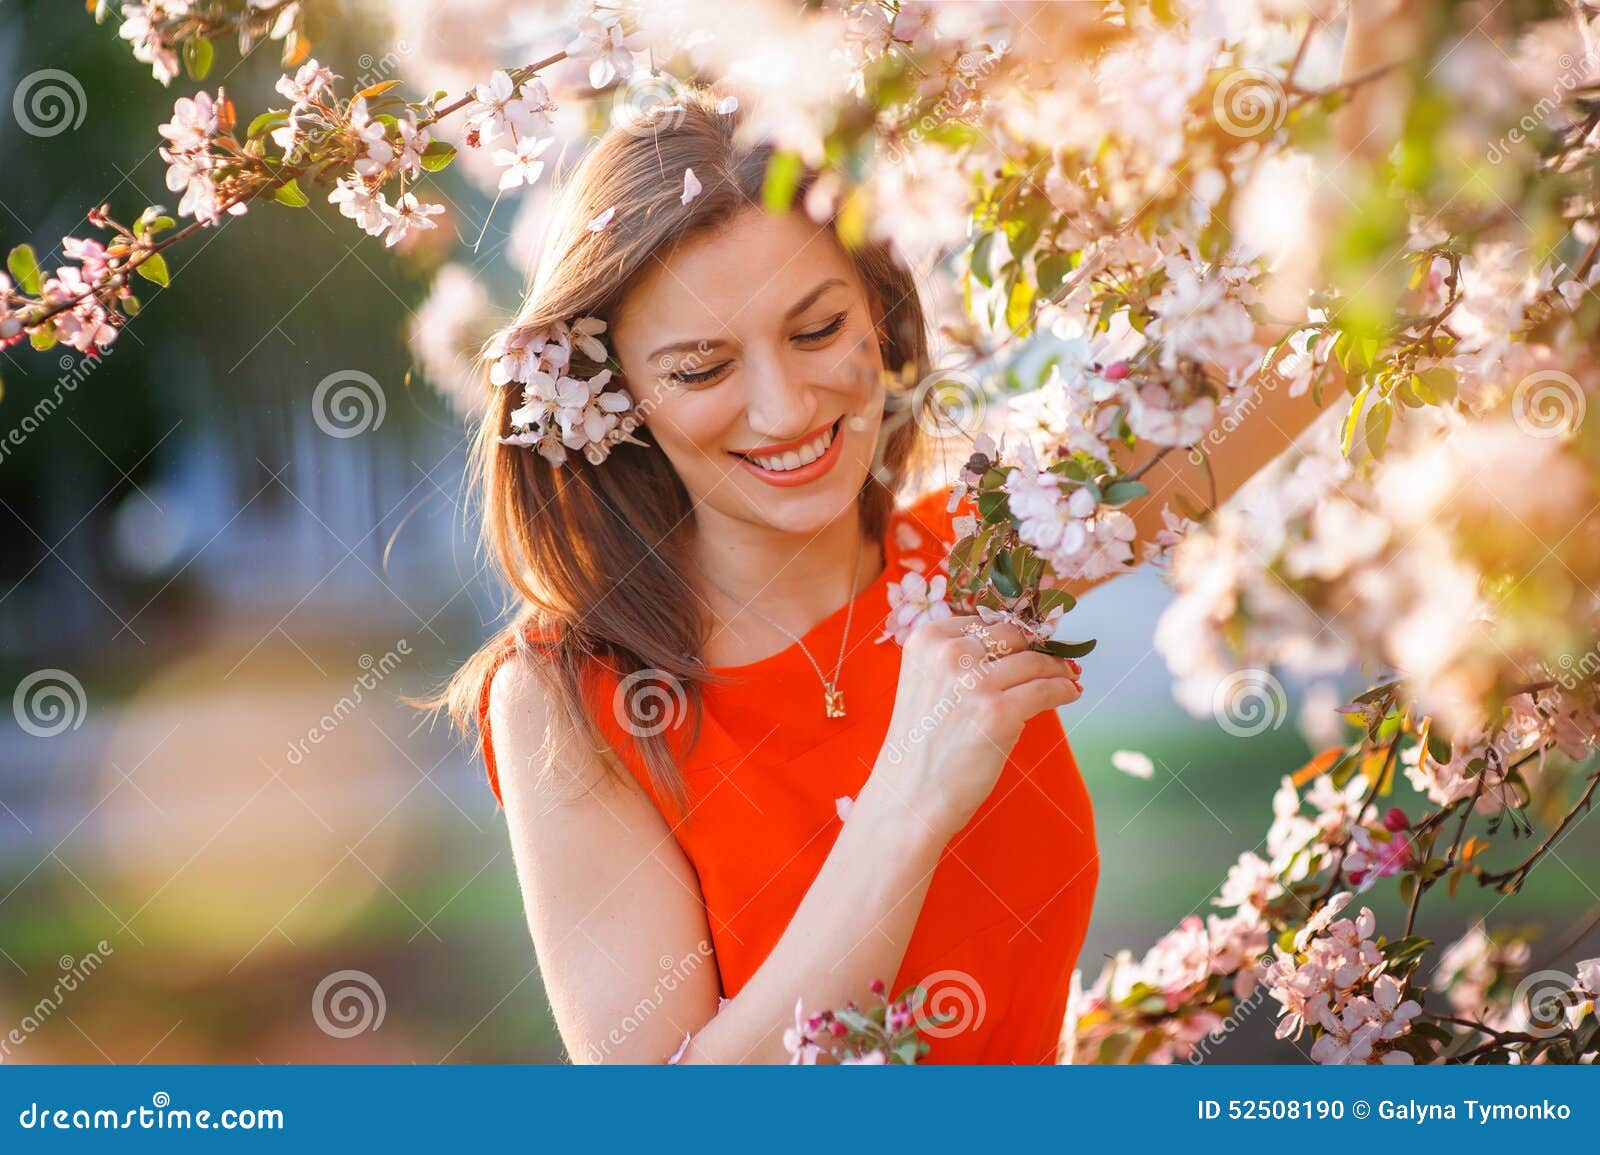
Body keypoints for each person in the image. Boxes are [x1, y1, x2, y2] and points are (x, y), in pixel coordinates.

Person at [437, 5, 1405, 1063]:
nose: (782, 408)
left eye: (817, 331)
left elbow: (1317, 335)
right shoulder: (567, 700)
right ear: (613, 393)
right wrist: (908, 798)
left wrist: (1388, 35)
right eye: (702, 369)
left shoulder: (987, 557)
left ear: (882, 319)